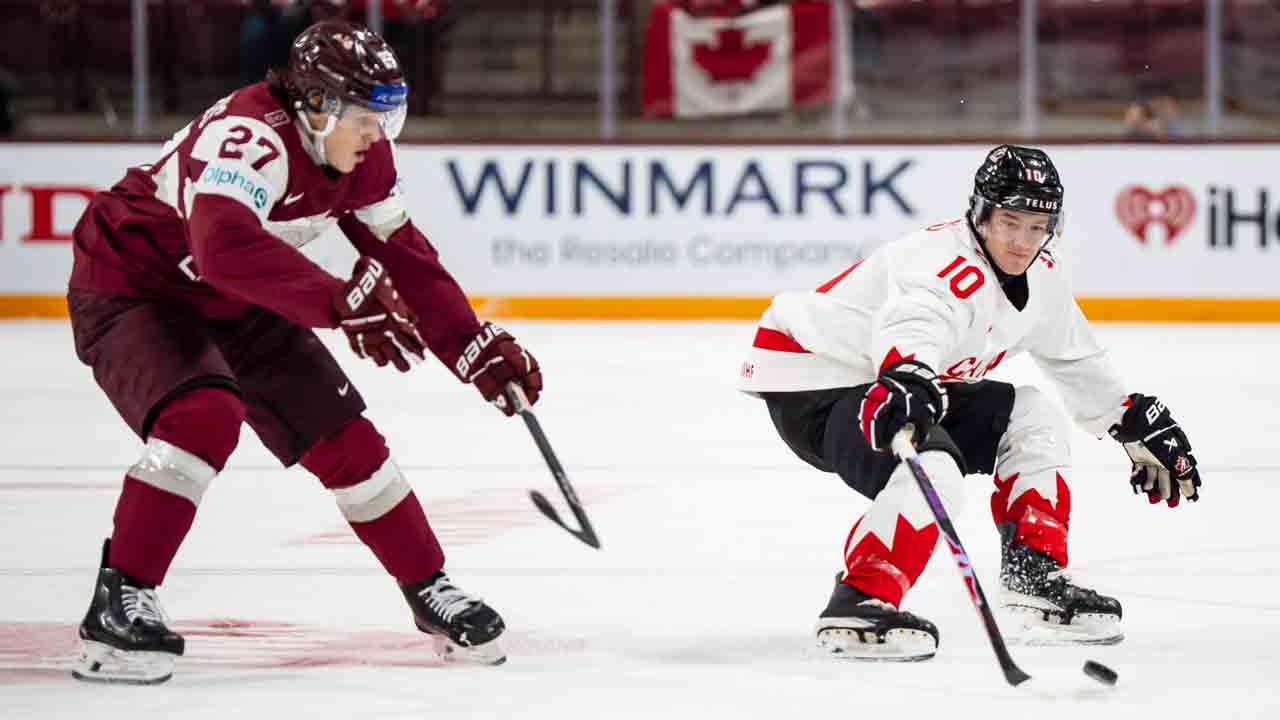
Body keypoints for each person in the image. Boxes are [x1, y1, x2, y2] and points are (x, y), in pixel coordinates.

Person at [66, 20, 542, 684]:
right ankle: (118, 604)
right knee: (201, 416)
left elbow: (407, 260)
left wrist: (471, 347)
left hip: (236, 296)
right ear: (316, 104)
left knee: (348, 441)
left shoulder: (363, 156)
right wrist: (339, 302)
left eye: (388, 117)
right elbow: (222, 246)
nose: (379, 134)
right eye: (367, 117)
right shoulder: (248, 137)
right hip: (136, 285)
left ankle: (430, 588)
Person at [736, 145, 1201, 661]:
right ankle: (861, 600)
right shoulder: (945, 264)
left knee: (1032, 416)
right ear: (980, 214)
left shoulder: (1043, 270)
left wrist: (1128, 416)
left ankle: (1034, 574)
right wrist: (907, 371)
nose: (1023, 240)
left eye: (1038, 224)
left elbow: (1072, 355)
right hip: (817, 377)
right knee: (933, 467)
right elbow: (916, 319)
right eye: (1010, 222)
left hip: (889, 373)